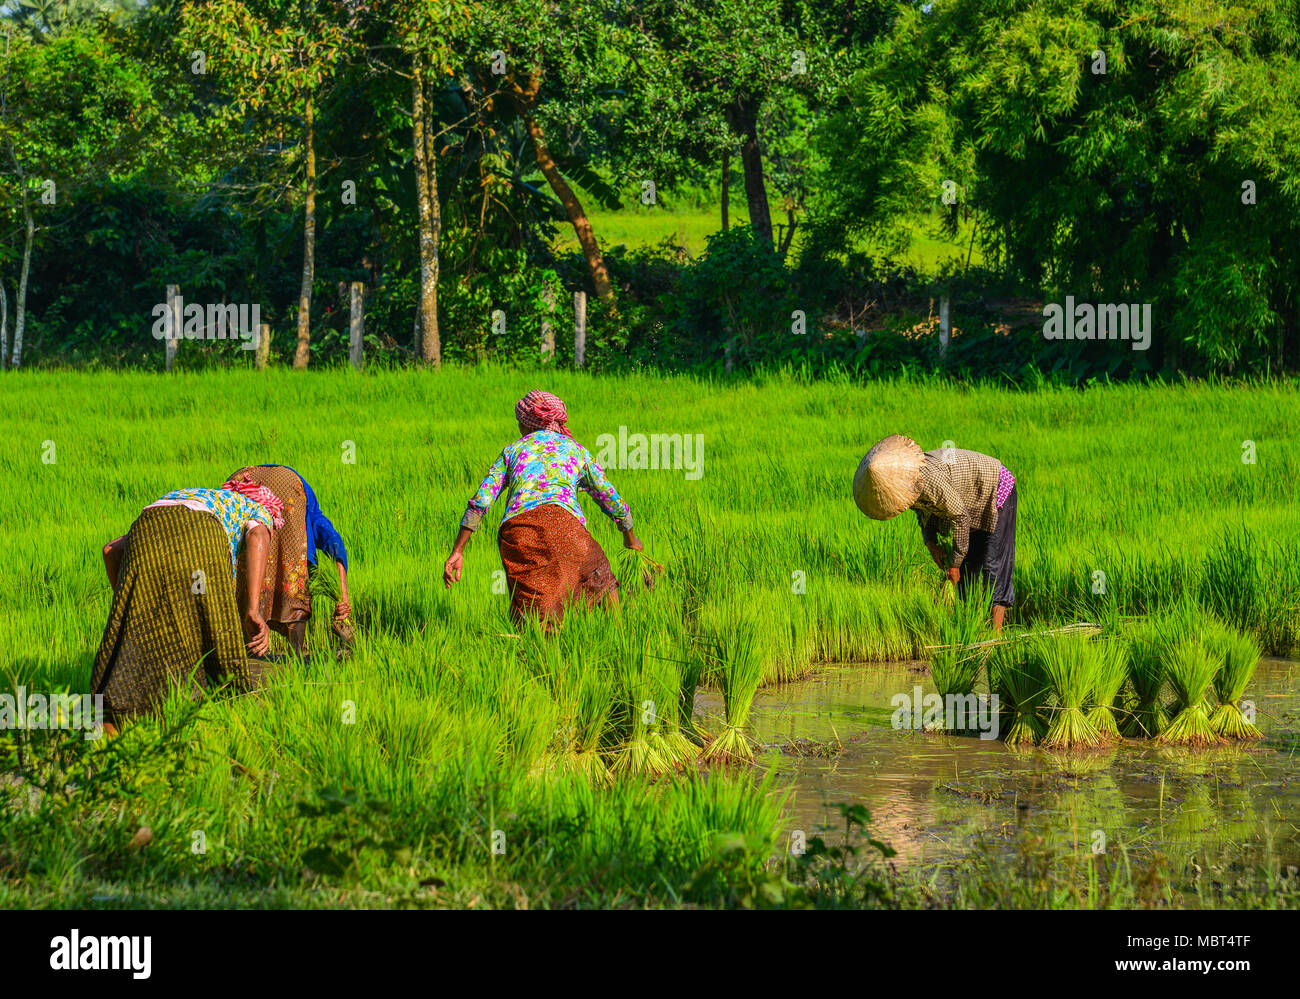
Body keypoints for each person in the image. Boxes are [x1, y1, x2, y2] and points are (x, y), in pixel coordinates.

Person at [94, 484, 285, 731]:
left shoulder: (198, 496)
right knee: (216, 643)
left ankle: (110, 728)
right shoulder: (258, 509)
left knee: (131, 654)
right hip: (201, 534)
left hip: (146, 527)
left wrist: (135, 613)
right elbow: (257, 536)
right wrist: (252, 611)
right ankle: (221, 719)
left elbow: (110, 551)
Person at [443, 389, 641, 627]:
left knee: (530, 601)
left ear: (527, 424)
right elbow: (611, 498)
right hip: (565, 526)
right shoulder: (576, 450)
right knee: (601, 578)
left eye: (519, 422)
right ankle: (620, 637)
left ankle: (527, 654)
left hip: (519, 533)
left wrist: (458, 550)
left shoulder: (512, 451)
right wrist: (629, 538)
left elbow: (481, 501)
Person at [853, 435, 1018, 632]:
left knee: (993, 566)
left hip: (996, 488)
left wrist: (954, 563)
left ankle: (995, 637)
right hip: (969, 501)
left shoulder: (929, 481)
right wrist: (930, 542)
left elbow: (960, 517)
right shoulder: (907, 490)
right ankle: (969, 630)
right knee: (967, 570)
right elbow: (925, 514)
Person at [224, 466, 352, 655]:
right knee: (293, 573)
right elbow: (333, 541)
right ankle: (297, 657)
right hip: (289, 484)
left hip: (242, 478)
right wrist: (343, 596)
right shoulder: (313, 511)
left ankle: (241, 654)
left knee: (245, 559)